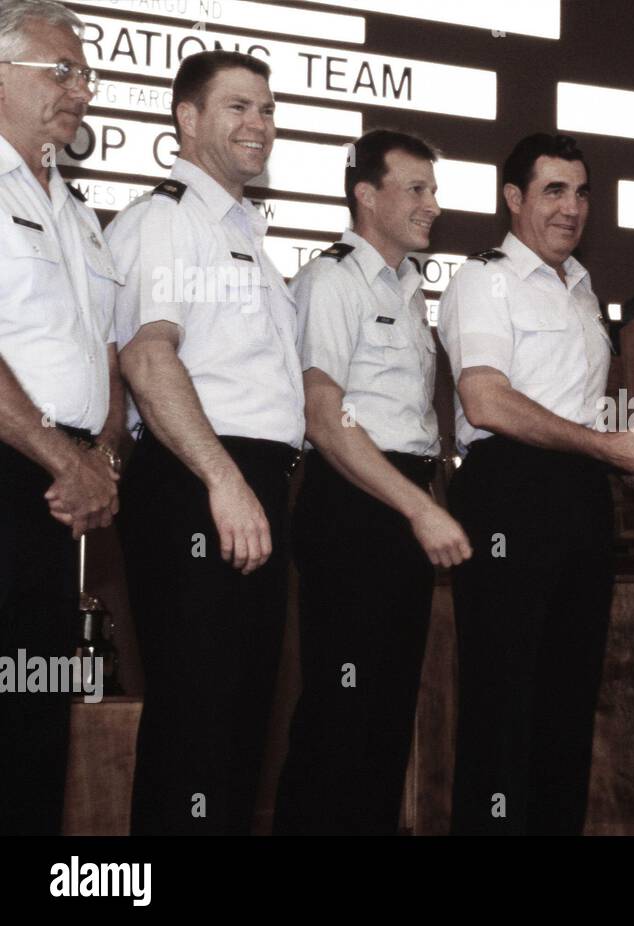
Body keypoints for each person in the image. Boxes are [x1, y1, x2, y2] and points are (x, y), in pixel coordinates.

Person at [437, 133, 634, 834]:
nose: (571, 208)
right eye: (553, 191)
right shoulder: (484, 279)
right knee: (503, 707)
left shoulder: (582, 290)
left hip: (583, 498)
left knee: (568, 705)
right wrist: (602, 444)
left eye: (581, 192)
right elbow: (486, 400)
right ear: (513, 199)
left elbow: (594, 411)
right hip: (510, 492)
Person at [106, 50, 304, 835]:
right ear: (186, 120)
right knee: (197, 722)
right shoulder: (166, 218)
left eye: (266, 109)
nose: (258, 124)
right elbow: (148, 357)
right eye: (237, 108)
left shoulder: (243, 232)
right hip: (200, 477)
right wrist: (224, 482)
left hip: (245, 481)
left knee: (238, 725)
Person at [273, 130, 471, 834]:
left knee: (388, 712)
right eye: (415, 189)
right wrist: (420, 509)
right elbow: (325, 420)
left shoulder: (411, 287)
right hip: (354, 507)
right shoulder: (331, 279)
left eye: (434, 190)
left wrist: (419, 505)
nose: (432, 205)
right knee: (341, 710)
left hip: (401, 504)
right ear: (366, 195)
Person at [0, 0, 123, 835]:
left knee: (36, 716)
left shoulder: (77, 212)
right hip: (14, 471)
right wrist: (59, 457)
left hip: (61, 492)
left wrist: (100, 460)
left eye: (85, 73)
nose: (81, 89)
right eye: (62, 71)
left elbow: (102, 356)